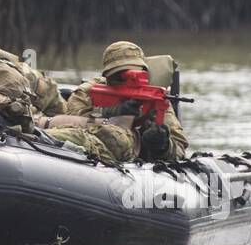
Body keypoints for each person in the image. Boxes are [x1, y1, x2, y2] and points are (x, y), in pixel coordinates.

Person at [56, 40, 189, 162]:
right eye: (119, 77)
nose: (127, 82)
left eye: (134, 75)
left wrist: (162, 146)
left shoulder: (154, 98)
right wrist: (113, 112)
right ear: (107, 76)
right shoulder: (88, 92)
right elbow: (70, 123)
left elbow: (179, 151)